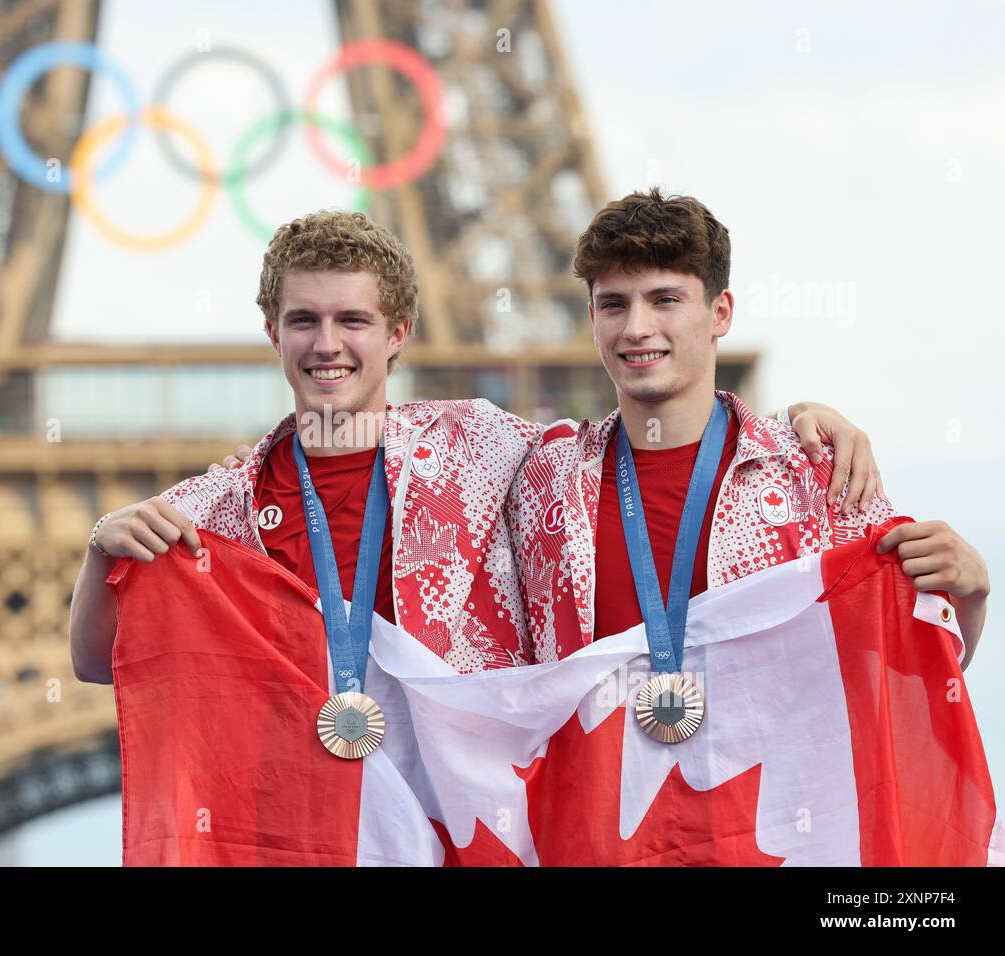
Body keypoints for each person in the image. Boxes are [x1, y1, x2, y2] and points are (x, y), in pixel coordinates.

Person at [71, 209, 884, 683]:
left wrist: (797, 427)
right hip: (306, 805)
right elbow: (101, 663)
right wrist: (97, 549)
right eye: (304, 322)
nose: (328, 345)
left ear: (397, 334)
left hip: (462, 818)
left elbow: (654, 435)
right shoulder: (211, 507)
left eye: (352, 321)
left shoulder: (486, 447)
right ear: (271, 334)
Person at [508, 188, 989, 670]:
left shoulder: (815, 474)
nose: (637, 327)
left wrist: (970, 598)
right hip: (593, 748)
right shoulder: (540, 480)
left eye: (665, 300)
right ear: (593, 318)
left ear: (721, 313)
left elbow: (908, 666)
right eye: (614, 304)